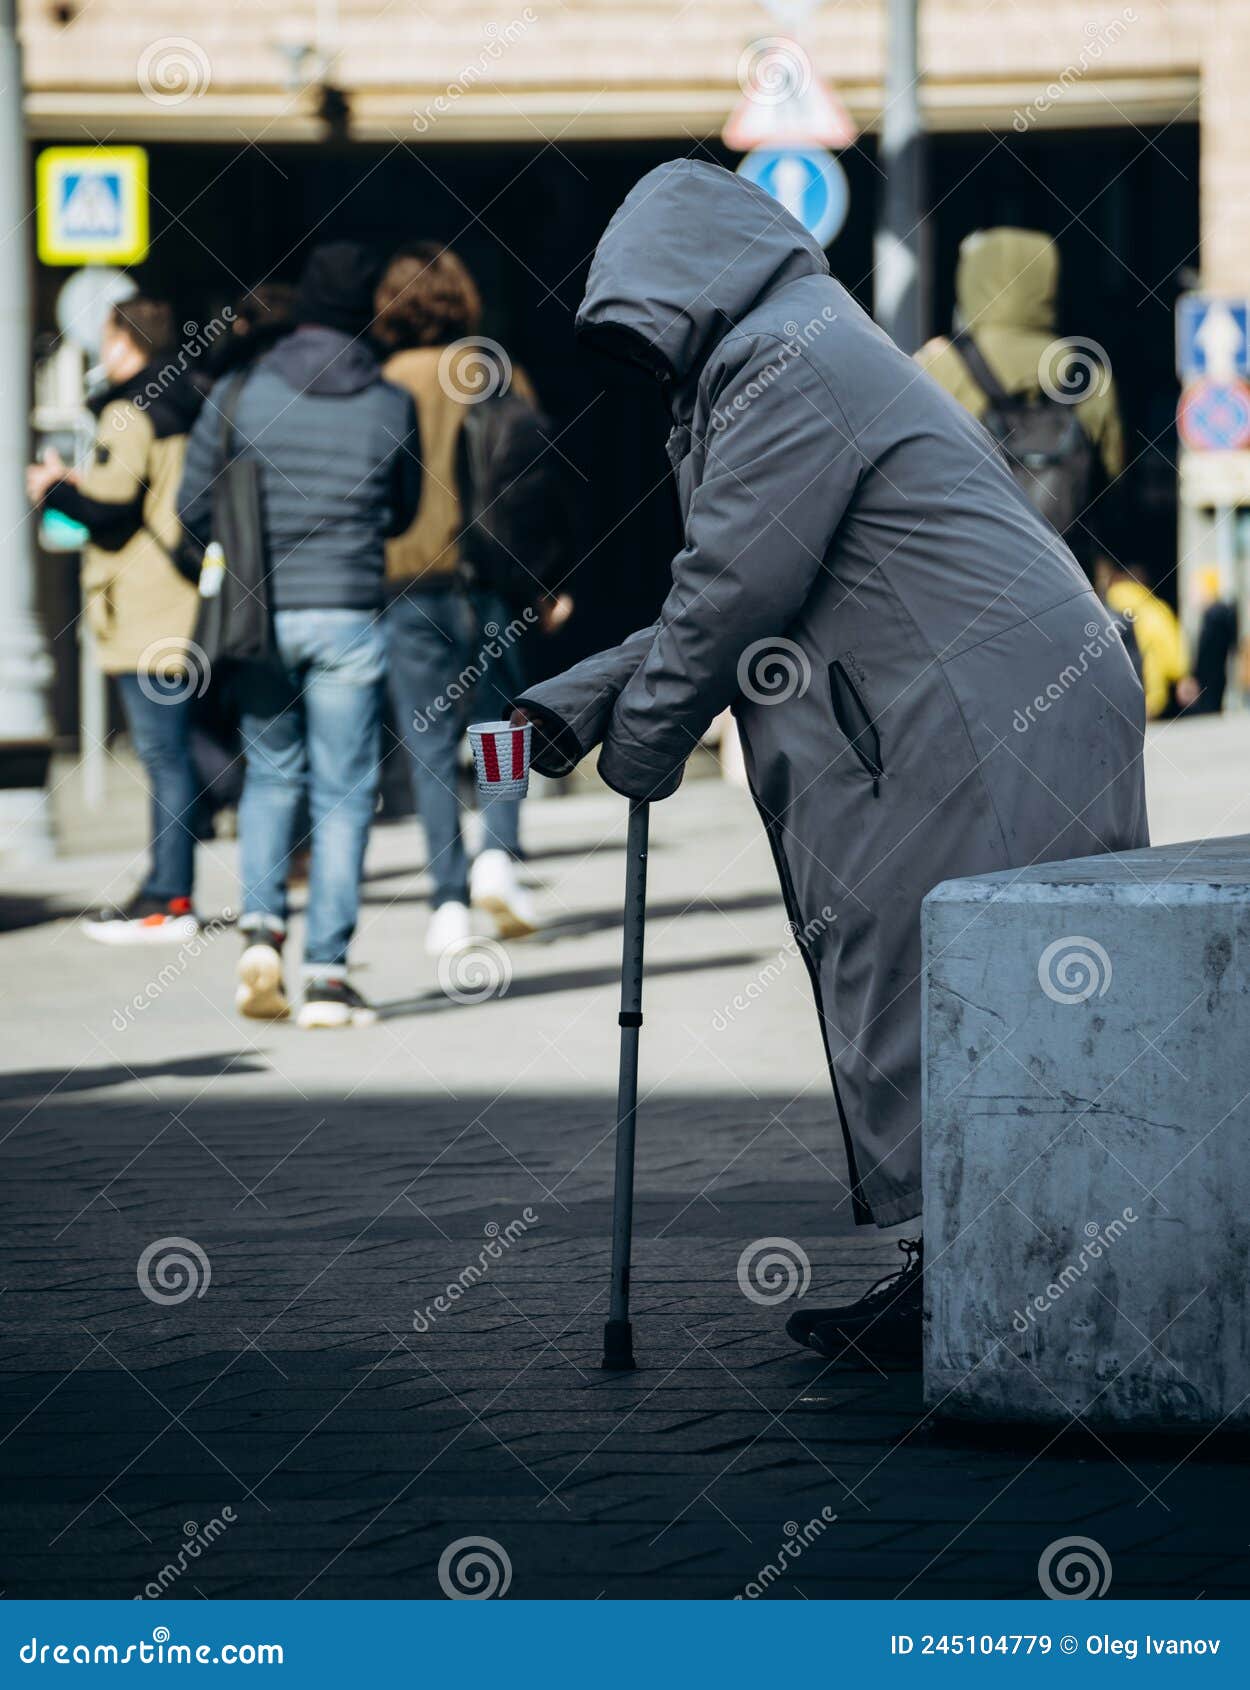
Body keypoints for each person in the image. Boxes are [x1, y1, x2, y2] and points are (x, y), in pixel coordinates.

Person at [513, 161, 1148, 1367]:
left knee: (967, 991)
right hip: (966, 703)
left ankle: (998, 1288)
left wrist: (640, 738)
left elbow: (737, 582)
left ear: (686, 281)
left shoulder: (784, 362)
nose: (643, 360)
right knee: (967, 989)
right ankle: (975, 1272)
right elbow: (750, 575)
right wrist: (583, 699)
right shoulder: (785, 348)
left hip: (974, 714)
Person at [179, 242, 421, 1030]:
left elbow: (190, 508)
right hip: (349, 612)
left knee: (272, 775)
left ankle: (259, 933)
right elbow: (407, 511)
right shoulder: (390, 403)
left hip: (257, 615)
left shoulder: (242, 392)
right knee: (347, 791)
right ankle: (327, 976)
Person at [373, 244, 571, 955]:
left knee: (426, 745)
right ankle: (499, 856)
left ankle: (447, 902)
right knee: (499, 729)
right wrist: (546, 581)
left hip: (404, 586)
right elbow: (533, 489)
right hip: (490, 581)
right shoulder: (493, 371)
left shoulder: (377, 381)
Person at [28, 296, 204, 943]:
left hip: (147, 606)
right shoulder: (185, 400)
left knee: (164, 754)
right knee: (175, 750)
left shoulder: (131, 411)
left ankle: (170, 896)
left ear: (125, 341)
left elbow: (111, 511)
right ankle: (166, 887)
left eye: (106, 336)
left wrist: (53, 487)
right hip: (181, 600)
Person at [915, 228, 1123, 569]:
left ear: (972, 279)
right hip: (1063, 575)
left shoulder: (938, 365)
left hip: (963, 572)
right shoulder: (1089, 372)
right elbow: (1112, 485)